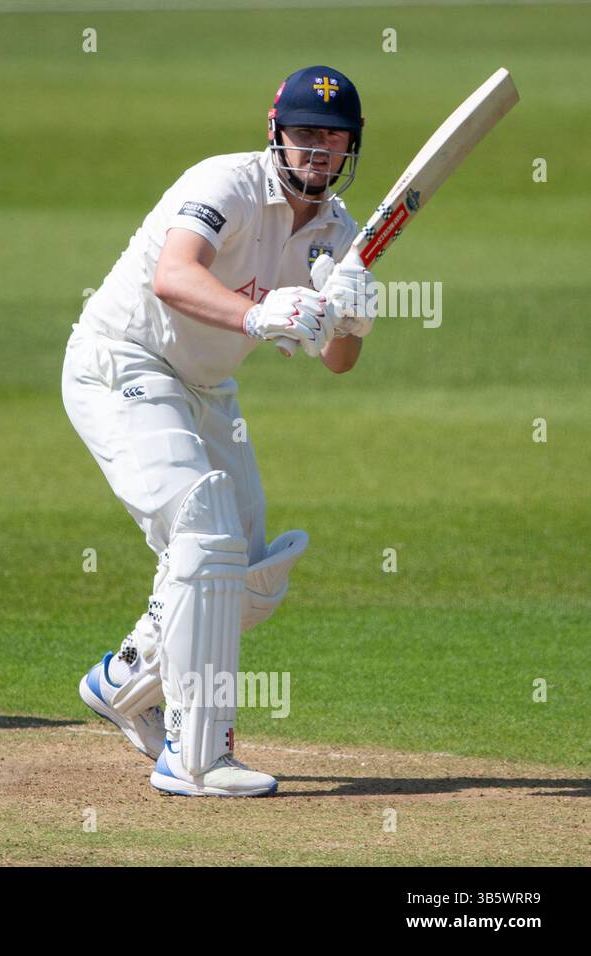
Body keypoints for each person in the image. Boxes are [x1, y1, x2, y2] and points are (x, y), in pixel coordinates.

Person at [65, 67, 379, 796]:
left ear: (350, 147)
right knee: (203, 533)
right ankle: (196, 756)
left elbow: (338, 360)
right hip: (123, 360)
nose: (318, 153)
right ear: (277, 135)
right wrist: (258, 313)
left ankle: (122, 682)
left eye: (333, 139)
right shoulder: (225, 183)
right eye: (305, 136)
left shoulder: (341, 231)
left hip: (206, 388)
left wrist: (354, 316)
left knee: (253, 577)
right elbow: (173, 276)